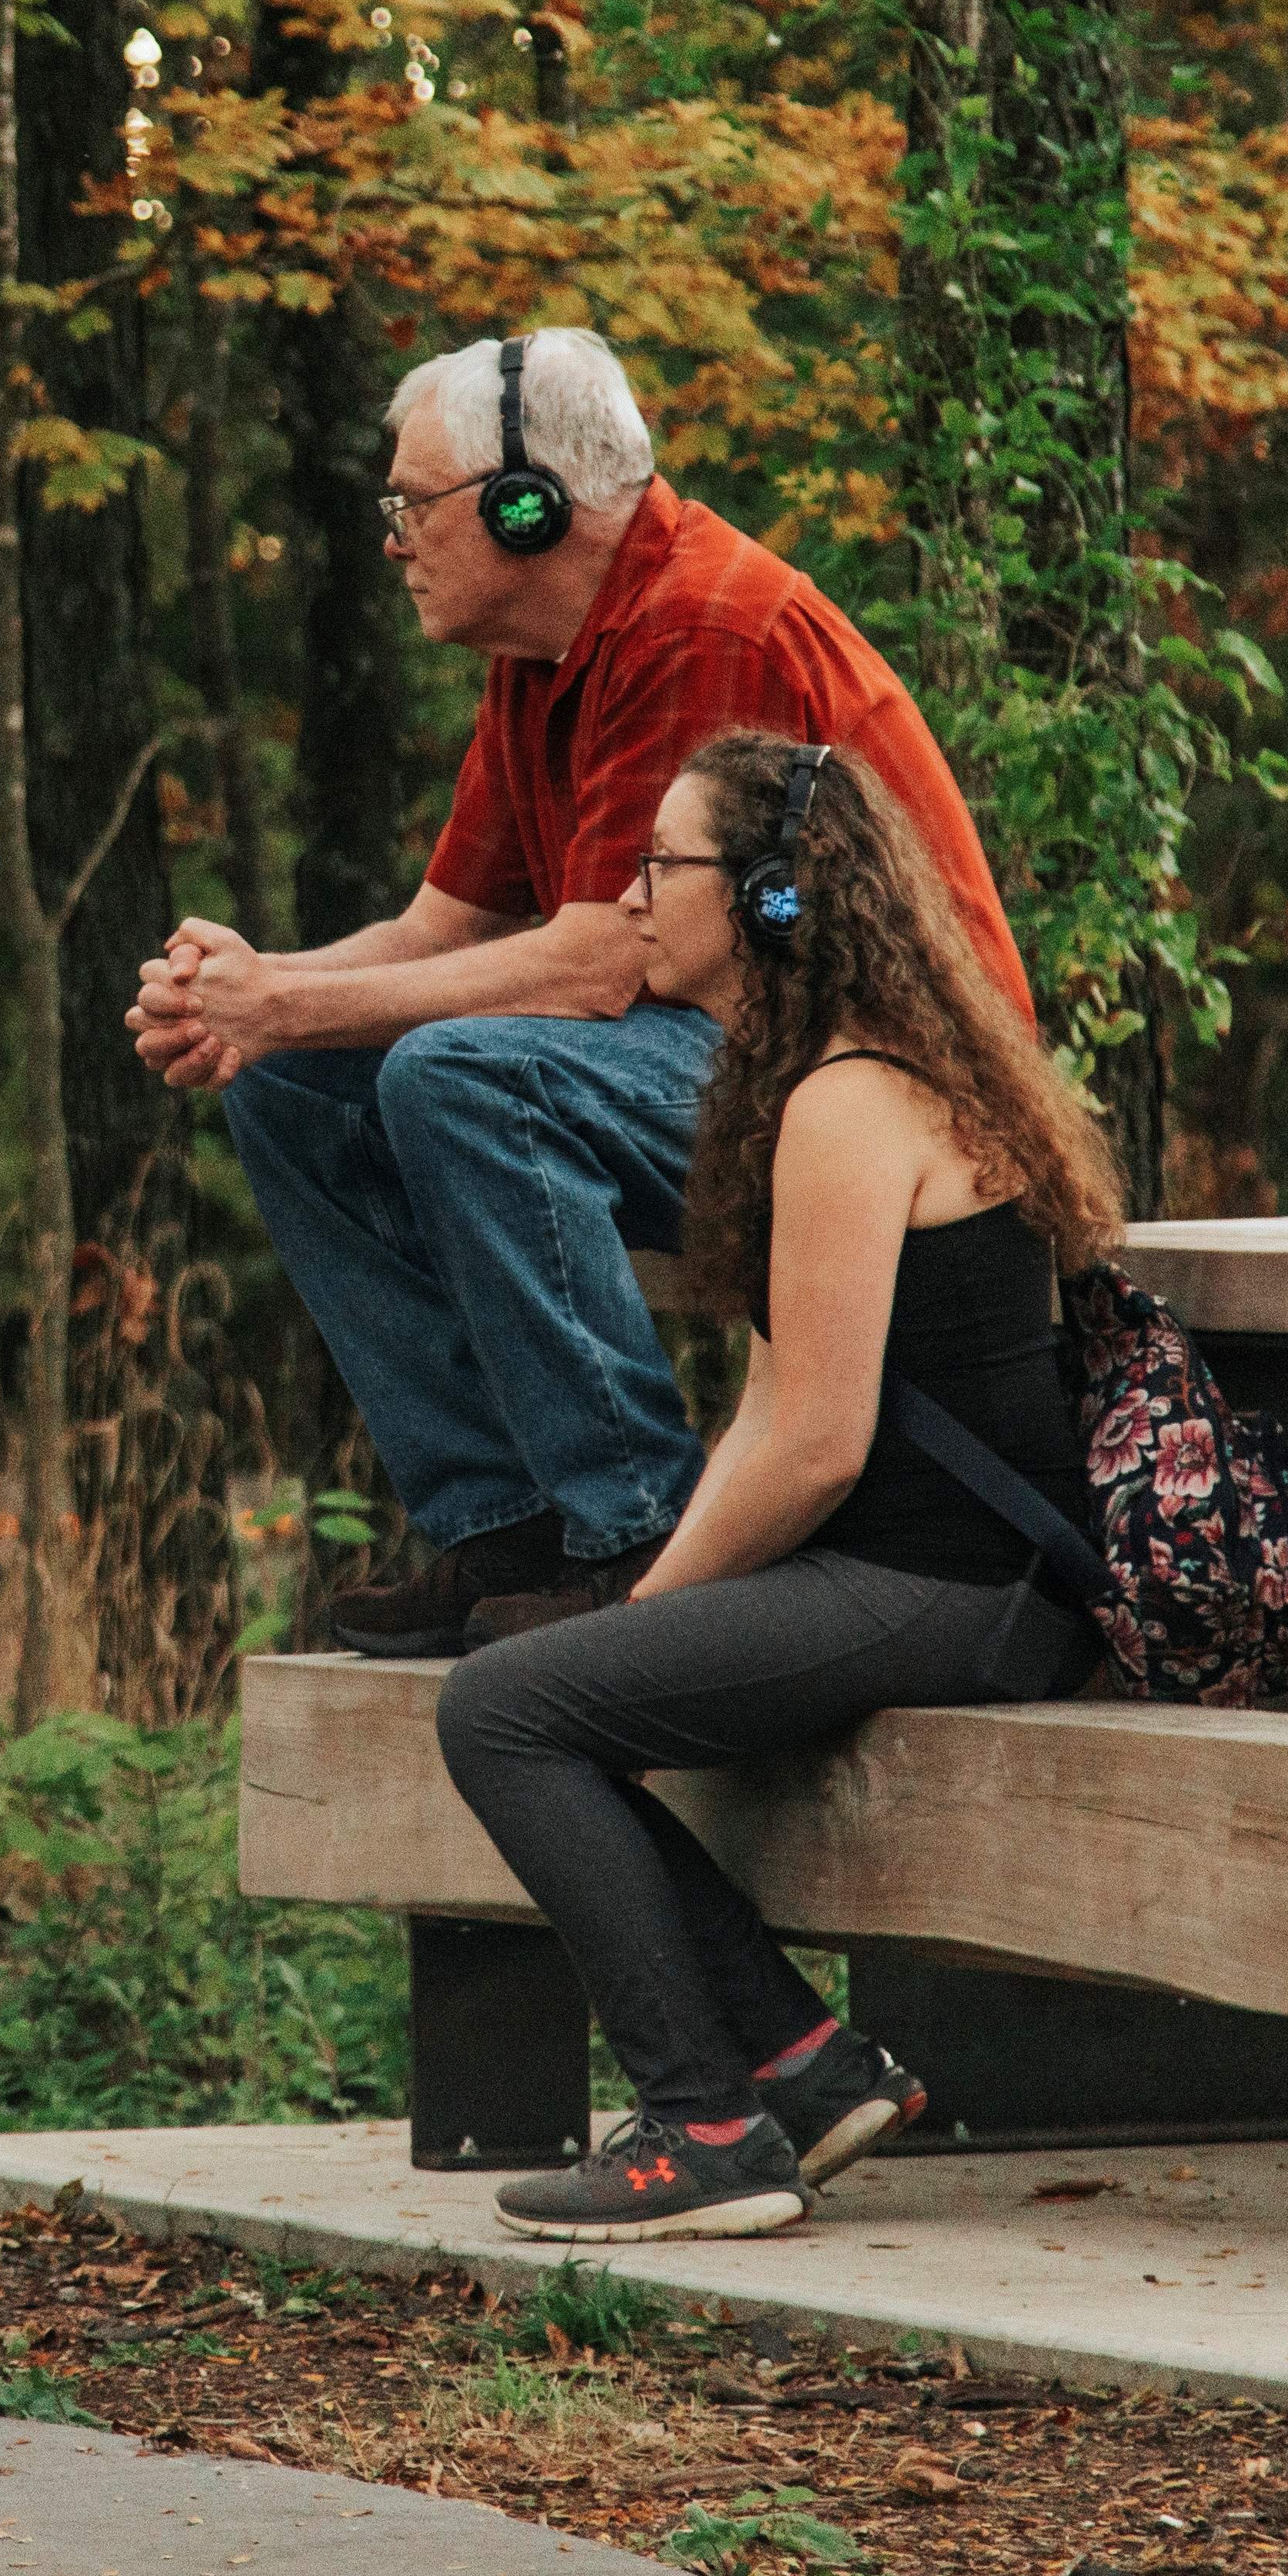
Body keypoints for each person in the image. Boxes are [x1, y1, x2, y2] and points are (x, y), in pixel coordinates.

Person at [128, 328, 1023, 1654]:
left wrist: (282, 1004)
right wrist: (248, 1002)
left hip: (892, 1111)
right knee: (299, 1089)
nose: (391, 539)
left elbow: (606, 961)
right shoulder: (541, 663)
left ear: (527, 505)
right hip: (722, 1072)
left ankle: (634, 1544)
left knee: (465, 1076)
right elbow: (443, 930)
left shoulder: (700, 623)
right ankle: (507, 1540)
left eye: (410, 506)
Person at [432, 728, 1123, 2240]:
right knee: (539, 1690)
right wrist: (628, 1619)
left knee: (505, 1711)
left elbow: (814, 1440)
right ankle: (803, 2071)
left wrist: (642, 1611)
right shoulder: (823, 1076)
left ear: (767, 901)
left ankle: (702, 2126)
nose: (627, 895)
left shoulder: (850, 1100)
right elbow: (767, 1409)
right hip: (938, 1577)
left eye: (659, 866)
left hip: (958, 1589)